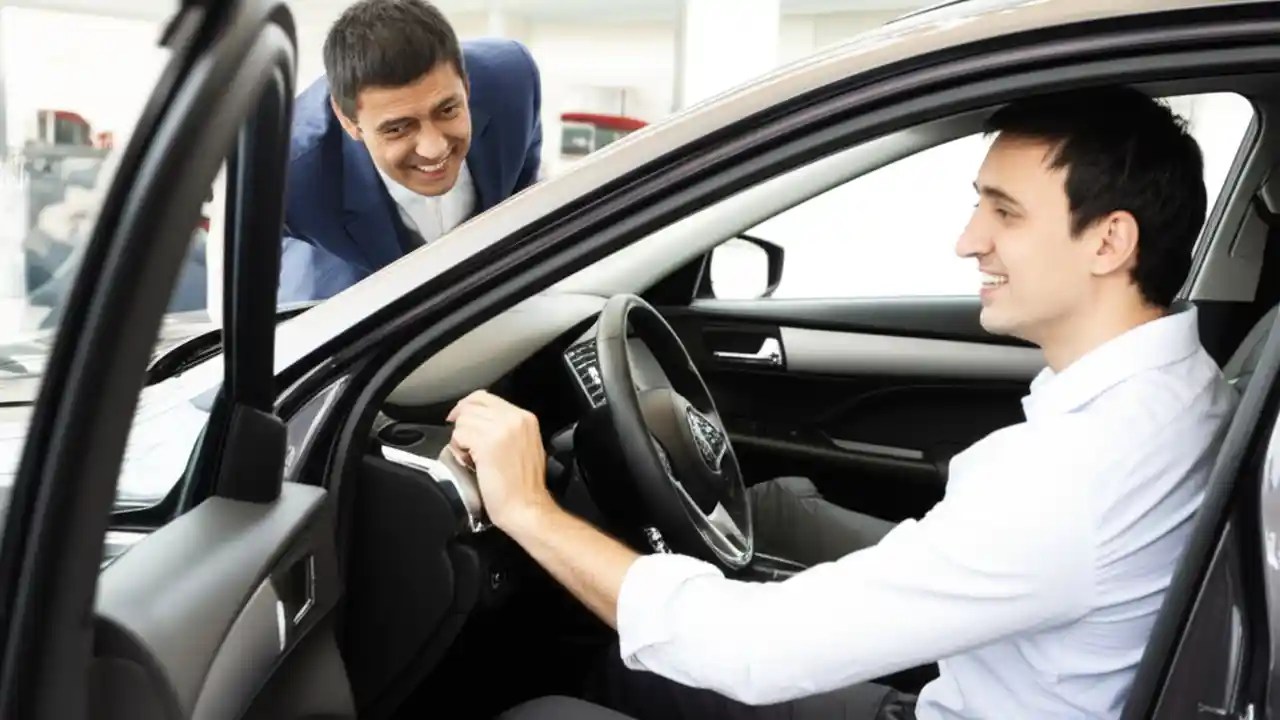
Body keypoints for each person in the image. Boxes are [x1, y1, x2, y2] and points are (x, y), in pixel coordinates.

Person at [448, 86, 1240, 720]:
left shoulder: (1072, 479)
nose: (968, 241)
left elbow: (750, 653)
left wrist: (529, 511)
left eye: (1004, 212)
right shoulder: (1180, 391)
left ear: (1109, 242)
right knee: (637, 664)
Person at [279, 0, 543, 303]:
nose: (435, 149)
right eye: (397, 128)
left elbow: (523, 184)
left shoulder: (513, 82)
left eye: (447, 109)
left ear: (466, 86)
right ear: (348, 121)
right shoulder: (288, 174)